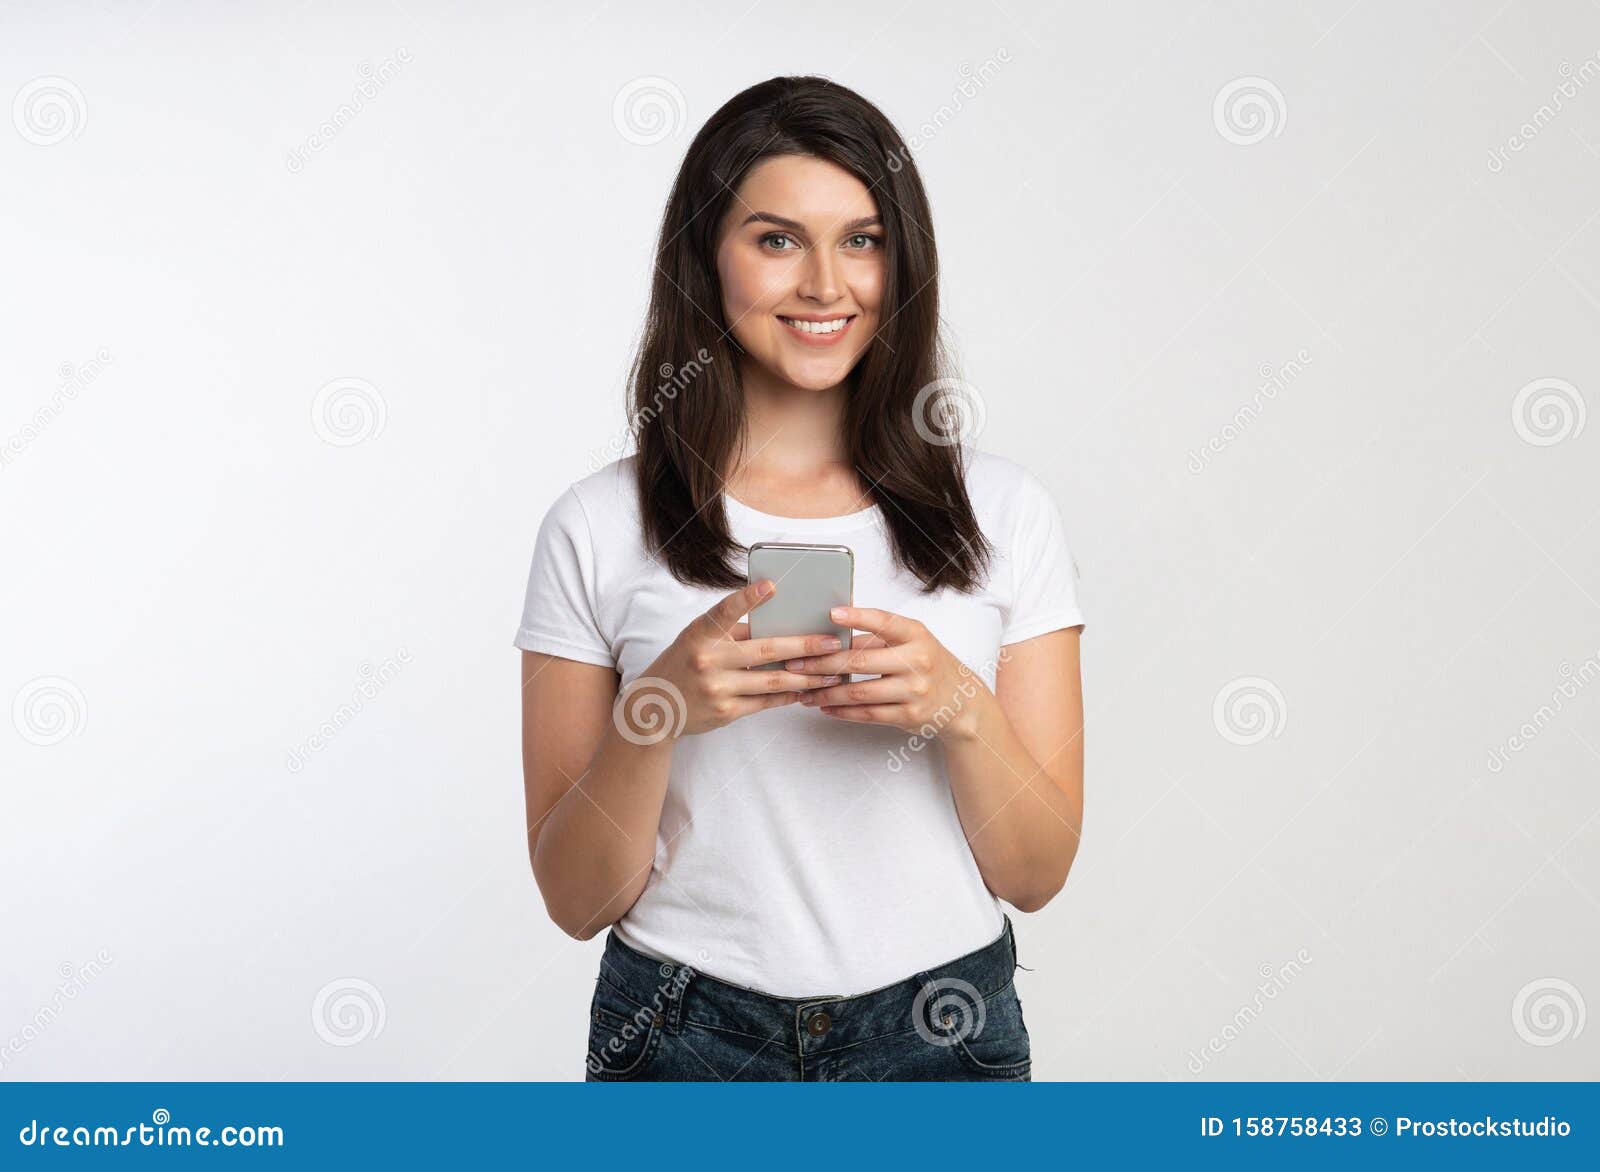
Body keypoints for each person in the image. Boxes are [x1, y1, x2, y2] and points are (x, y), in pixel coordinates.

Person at [514, 76, 1086, 1081]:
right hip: (680, 1032)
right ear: (707, 259)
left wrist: (960, 705)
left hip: (938, 1030)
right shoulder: (596, 524)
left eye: (862, 239)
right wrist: (659, 709)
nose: (826, 284)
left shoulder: (1005, 513)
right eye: (777, 239)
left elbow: (1035, 874)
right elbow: (576, 900)